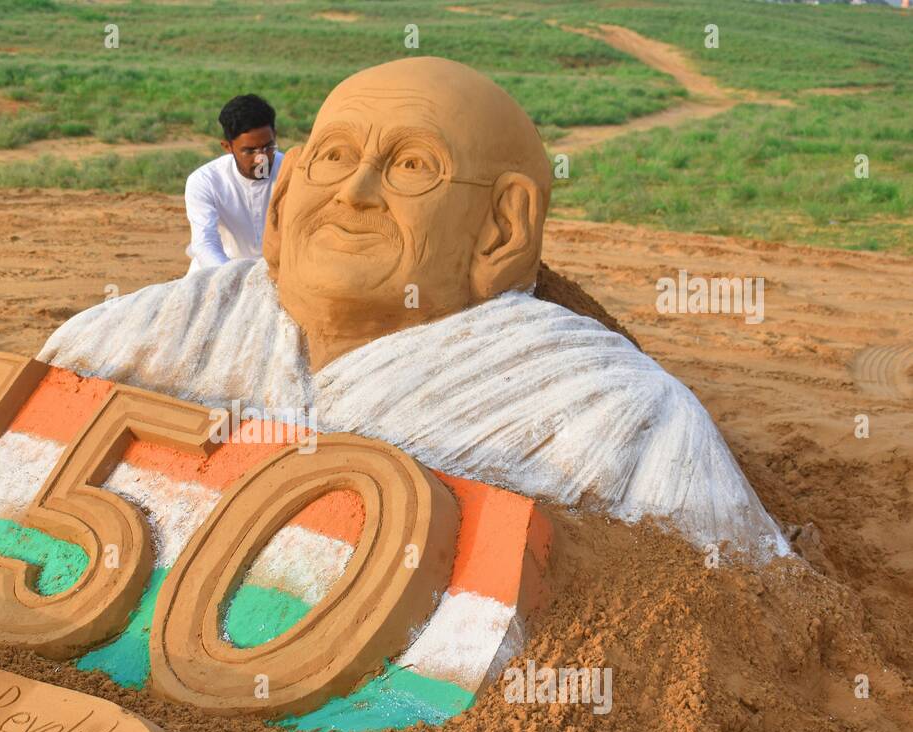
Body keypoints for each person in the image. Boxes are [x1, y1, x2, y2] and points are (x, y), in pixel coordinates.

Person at [40, 58, 789, 562]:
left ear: (503, 227)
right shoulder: (131, 334)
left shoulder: (623, 422)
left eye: (409, 166)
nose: (354, 192)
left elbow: (733, 621)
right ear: (285, 196)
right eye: (333, 157)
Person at [183, 94, 285, 272]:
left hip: (280, 272)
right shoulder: (205, 181)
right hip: (218, 272)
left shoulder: (292, 171)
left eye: (268, 147)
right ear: (227, 147)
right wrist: (234, 281)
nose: (261, 158)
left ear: (275, 136)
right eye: (250, 151)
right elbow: (205, 244)